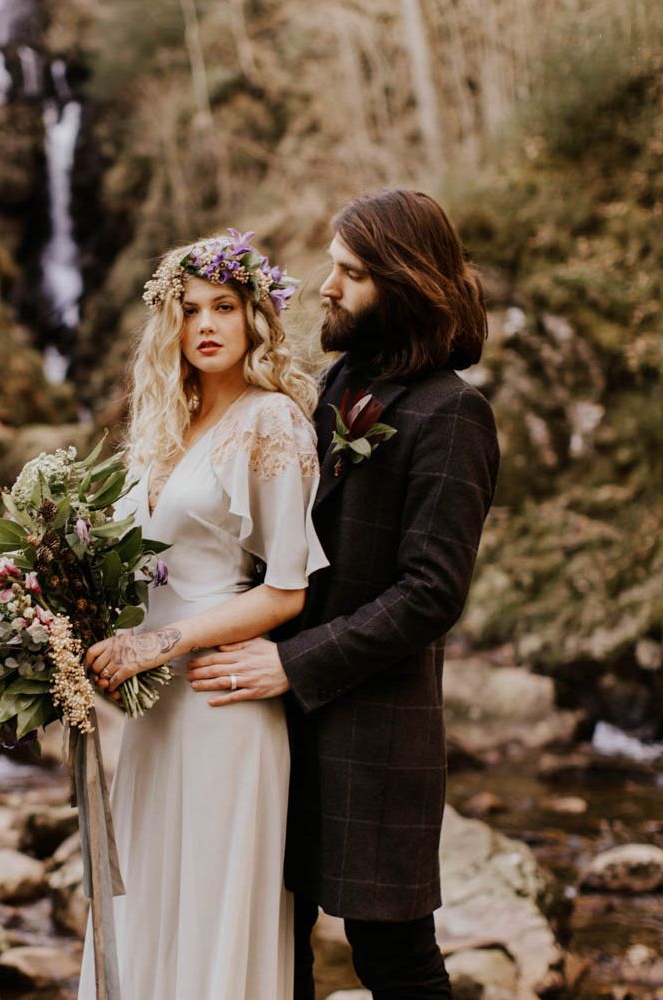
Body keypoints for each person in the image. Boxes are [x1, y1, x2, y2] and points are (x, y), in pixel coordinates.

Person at [186, 190, 501, 1000]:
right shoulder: (339, 382)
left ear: (404, 286)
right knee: (274, 938)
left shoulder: (454, 413)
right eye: (333, 266)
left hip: (375, 731)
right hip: (279, 721)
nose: (326, 286)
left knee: (392, 956)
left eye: (351, 274)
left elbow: (431, 594)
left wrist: (293, 662)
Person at [76, 230, 328, 1000]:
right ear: (170, 324)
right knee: (145, 899)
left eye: (225, 306)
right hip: (153, 709)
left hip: (222, 697)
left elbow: (288, 591)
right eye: (190, 310)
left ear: (255, 317)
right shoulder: (158, 428)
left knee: (214, 909)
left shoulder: (271, 422)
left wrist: (164, 641)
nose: (207, 324)